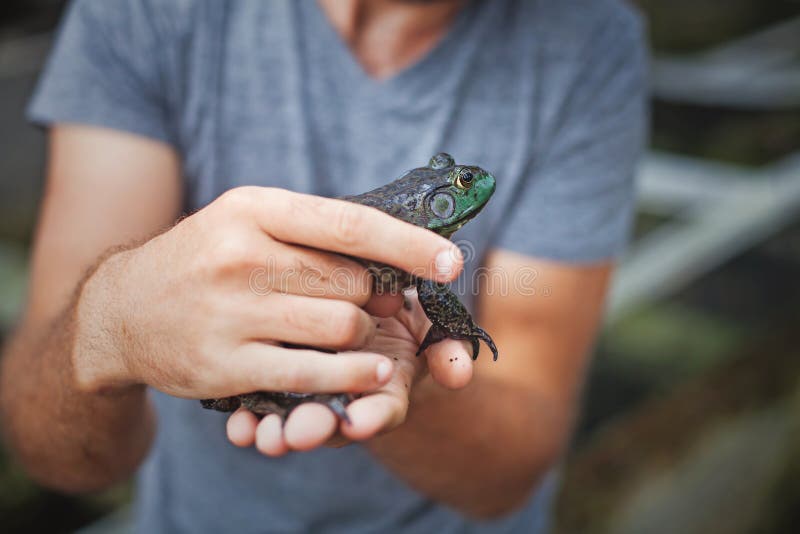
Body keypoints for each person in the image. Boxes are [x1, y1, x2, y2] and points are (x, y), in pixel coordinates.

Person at [0, 0, 646, 532]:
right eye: (461, 182)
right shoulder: (148, 14)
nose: (473, 185)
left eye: (465, 179)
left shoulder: (588, 38)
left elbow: (514, 466)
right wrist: (111, 323)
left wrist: (420, 374)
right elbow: (50, 450)